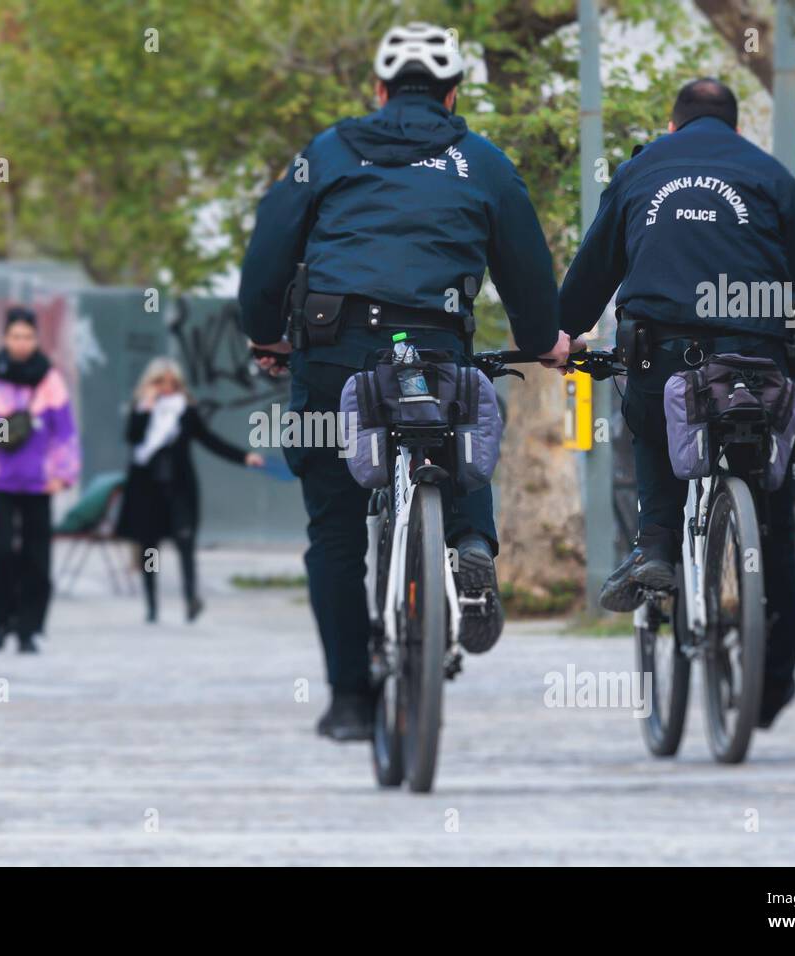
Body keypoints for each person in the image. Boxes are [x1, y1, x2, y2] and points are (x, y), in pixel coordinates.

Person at [238, 22, 571, 741]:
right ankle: (470, 544)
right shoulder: (481, 160)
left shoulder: (327, 151)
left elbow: (269, 247)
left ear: (380, 90)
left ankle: (353, 703)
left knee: (332, 528)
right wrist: (545, 341)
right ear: (453, 95)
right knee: (459, 419)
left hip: (332, 349)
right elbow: (526, 268)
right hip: (431, 340)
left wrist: (267, 331)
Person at [557, 78, 795, 729]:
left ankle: (657, 549)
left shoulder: (643, 168)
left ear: (673, 126)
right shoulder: (770, 174)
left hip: (661, 352)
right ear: (734, 126)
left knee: (650, 420)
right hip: (754, 356)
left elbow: (596, 268)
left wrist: (560, 331)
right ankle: (771, 683)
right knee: (773, 513)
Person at [0, 307, 80, 653]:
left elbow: (64, 431)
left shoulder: (50, 380)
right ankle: (0, 620)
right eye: (15, 336)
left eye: (28, 337)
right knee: (2, 550)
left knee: (38, 556)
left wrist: (63, 474)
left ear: (37, 340)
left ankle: (30, 628)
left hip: (40, 481)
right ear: (5, 339)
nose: (21, 343)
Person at [117, 358, 265, 623]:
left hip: (180, 487)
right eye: (160, 383)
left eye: (172, 383)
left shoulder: (185, 411)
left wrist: (244, 457)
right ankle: (152, 605)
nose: (166, 388)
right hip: (146, 489)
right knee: (150, 549)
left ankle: (190, 599)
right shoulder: (140, 409)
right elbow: (133, 438)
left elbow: (210, 440)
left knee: (185, 544)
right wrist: (147, 407)